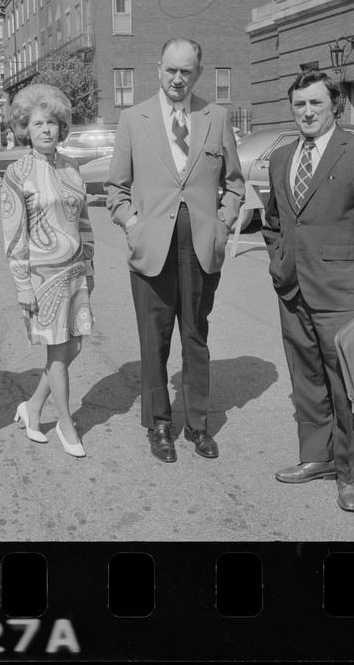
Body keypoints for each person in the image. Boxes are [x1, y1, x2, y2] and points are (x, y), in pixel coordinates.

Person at [262, 70, 354, 513]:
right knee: (306, 380)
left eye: (315, 104)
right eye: (299, 104)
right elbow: (275, 220)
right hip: (293, 289)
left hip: (343, 291)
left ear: (334, 105)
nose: (306, 112)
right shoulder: (282, 156)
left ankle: (349, 476)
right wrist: (279, 259)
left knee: (347, 388)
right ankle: (317, 458)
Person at [105, 38, 245, 463]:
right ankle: (159, 425)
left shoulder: (216, 116)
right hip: (152, 249)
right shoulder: (133, 119)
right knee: (155, 340)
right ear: (158, 69)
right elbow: (115, 188)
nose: (177, 79)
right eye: (171, 70)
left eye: (186, 71)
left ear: (198, 74)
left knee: (195, 336)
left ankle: (197, 425)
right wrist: (132, 225)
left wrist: (221, 224)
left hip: (201, 248)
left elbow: (235, 183)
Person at [1, 84, 95, 458]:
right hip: (42, 276)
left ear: (61, 127)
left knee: (73, 346)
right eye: (37, 123)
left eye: (52, 122)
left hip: (74, 272)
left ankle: (33, 407)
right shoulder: (17, 172)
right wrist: (22, 285)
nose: (45, 130)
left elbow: (84, 220)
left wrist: (90, 267)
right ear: (25, 127)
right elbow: (13, 234)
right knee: (57, 350)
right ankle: (66, 423)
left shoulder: (71, 166)